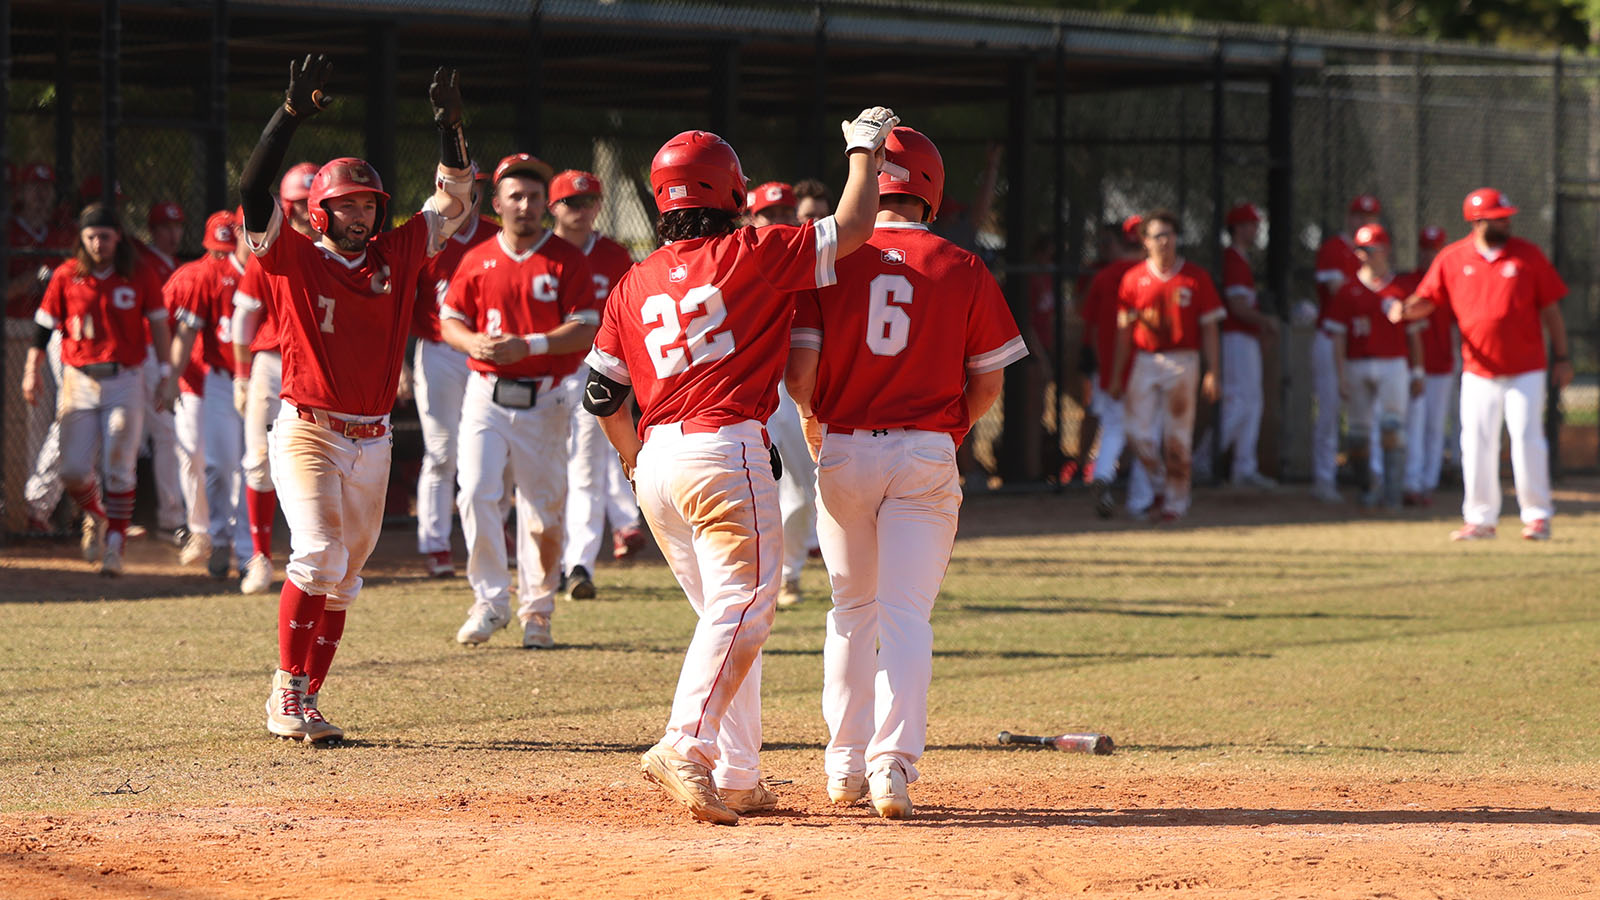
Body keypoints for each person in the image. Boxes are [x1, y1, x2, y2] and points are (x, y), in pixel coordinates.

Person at [583, 108, 896, 824]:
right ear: (730, 191)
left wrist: (632, 461)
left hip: (658, 461)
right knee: (744, 608)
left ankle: (740, 775)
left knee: (724, 621)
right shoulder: (754, 249)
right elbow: (853, 228)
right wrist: (862, 152)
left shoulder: (633, 281)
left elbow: (601, 394)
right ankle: (684, 743)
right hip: (725, 449)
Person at [785, 125, 1027, 819]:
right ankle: (891, 766)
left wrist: (820, 420)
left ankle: (843, 765)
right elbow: (988, 382)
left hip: (845, 448)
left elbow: (799, 377)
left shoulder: (829, 261)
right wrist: (946, 432)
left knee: (850, 612)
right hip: (924, 450)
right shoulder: (962, 265)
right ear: (931, 189)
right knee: (905, 616)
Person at [242, 55, 477, 742]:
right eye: (347, 203)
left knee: (344, 579)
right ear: (320, 210)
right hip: (309, 429)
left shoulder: (395, 254)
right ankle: (286, 693)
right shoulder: (292, 256)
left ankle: (309, 695)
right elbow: (252, 188)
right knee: (317, 554)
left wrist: (450, 128)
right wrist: (288, 116)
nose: (361, 213)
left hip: (372, 437)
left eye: (369, 203)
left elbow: (454, 201)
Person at [441, 154, 597, 649]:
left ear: (545, 204)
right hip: (486, 393)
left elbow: (587, 328)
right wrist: (471, 342)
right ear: (497, 202)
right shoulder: (477, 258)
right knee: (475, 492)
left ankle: (538, 611)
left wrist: (528, 345)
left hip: (546, 397)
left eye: (533, 196)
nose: (525, 205)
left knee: (542, 510)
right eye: (515, 195)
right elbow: (450, 319)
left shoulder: (566, 258)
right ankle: (489, 600)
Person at [1392, 188, 1572, 541]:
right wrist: (1406, 309)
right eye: (1498, 218)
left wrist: (1562, 358)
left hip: (1526, 368)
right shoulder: (1452, 258)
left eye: (1506, 217)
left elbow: (1551, 310)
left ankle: (1537, 516)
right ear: (1476, 222)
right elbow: (1427, 299)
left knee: (1526, 438)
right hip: (1478, 370)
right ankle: (1479, 519)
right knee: (1475, 442)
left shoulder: (1528, 255)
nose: (1506, 223)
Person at [20, 203, 172, 575]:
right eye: (91, 236)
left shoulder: (138, 273)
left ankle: (115, 546)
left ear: (118, 236)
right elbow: (43, 327)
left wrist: (167, 374)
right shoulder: (67, 274)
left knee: (119, 465)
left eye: (105, 236)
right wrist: (31, 370)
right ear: (82, 239)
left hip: (125, 377)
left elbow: (158, 325)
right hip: (79, 378)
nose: (98, 243)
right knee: (72, 469)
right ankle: (98, 514)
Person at [548, 168, 645, 600]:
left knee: (586, 470)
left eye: (588, 201)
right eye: (571, 202)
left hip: (595, 372)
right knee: (544, 474)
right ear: (553, 206)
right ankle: (547, 563)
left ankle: (579, 564)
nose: (581, 210)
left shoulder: (613, 254)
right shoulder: (538, 252)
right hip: (541, 376)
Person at [231, 162, 319, 595]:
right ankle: (260, 557)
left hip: (322, 365)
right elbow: (243, 320)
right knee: (259, 459)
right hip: (272, 360)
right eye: (296, 203)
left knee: (323, 459)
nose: (303, 211)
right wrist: (241, 377)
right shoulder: (269, 250)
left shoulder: (341, 250)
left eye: (309, 201)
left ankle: (319, 555)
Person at [409, 166, 498, 578]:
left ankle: (493, 534)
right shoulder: (424, 235)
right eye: (459, 189)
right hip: (439, 351)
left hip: (487, 352)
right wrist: (401, 365)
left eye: (473, 189)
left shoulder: (497, 235)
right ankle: (436, 542)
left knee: (495, 450)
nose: (467, 197)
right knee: (442, 452)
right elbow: (403, 304)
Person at [1109, 210, 1225, 522]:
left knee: (1177, 439)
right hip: (1145, 359)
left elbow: (1210, 329)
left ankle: (1176, 503)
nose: (1165, 241)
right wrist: (1118, 374)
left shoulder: (1195, 277)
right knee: (1136, 432)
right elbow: (1124, 332)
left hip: (1183, 360)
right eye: (1157, 235)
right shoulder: (1133, 279)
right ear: (1145, 241)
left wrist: (1213, 371)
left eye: (1169, 234)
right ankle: (1161, 485)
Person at [165, 210, 253, 578]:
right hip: (214, 380)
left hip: (258, 379)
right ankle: (213, 535)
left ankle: (248, 551)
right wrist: (169, 375)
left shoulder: (270, 272)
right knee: (213, 462)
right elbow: (179, 331)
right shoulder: (204, 275)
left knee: (254, 467)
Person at [747, 180, 821, 606]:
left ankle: (788, 574)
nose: (777, 222)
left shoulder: (810, 261)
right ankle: (766, 577)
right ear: (751, 218)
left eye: (784, 214)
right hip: (751, 386)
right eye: (768, 214)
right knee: (756, 487)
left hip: (795, 385)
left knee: (800, 483)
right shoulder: (739, 259)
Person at [1322, 224, 1422, 508]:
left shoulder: (1400, 288)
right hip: (1357, 363)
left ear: (1385, 250)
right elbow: (1338, 337)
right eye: (1361, 249)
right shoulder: (1348, 289)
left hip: (1393, 363)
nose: (1365, 255)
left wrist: (1418, 371)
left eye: (1371, 249)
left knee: (1392, 427)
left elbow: (1414, 335)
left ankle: (1392, 494)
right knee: (1357, 435)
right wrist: (1341, 374)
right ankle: (1366, 488)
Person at [10, 162, 76, 532]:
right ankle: (25, 507)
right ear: (20, 192)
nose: (40, 194)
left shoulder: (60, 233)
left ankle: (46, 509)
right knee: (29, 422)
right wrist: (29, 280)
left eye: (46, 187)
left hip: (60, 334)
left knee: (61, 418)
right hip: (19, 331)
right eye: (33, 187)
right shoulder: (9, 231)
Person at [1310, 194, 1382, 502]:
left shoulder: (1376, 251)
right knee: (1328, 411)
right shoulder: (1334, 248)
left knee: (1367, 415)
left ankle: (1371, 479)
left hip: (1362, 344)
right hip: (1331, 338)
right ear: (1348, 217)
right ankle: (1324, 478)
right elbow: (1339, 294)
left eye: (1369, 217)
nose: (1363, 222)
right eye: (1358, 216)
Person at [1077, 215, 1148, 517]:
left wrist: (1098, 365)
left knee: (1113, 427)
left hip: (1108, 366)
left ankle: (1103, 475)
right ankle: (1141, 499)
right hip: (1144, 364)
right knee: (1147, 432)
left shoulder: (1104, 277)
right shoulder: (1149, 276)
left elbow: (1090, 326)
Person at [135, 202, 188, 539]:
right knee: (131, 437)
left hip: (165, 357)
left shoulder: (179, 267)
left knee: (166, 434)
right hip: (142, 355)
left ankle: (170, 519)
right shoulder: (141, 261)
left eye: (177, 226)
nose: (173, 233)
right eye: (165, 227)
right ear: (152, 231)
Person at [1218, 203, 1279, 488]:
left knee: (1253, 403)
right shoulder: (1232, 258)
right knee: (1239, 402)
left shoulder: (1242, 259)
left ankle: (1244, 467)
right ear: (1239, 228)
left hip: (1246, 338)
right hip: (1235, 338)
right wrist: (1266, 320)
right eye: (1252, 225)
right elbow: (1237, 306)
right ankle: (1202, 460)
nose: (1256, 230)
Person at [1403, 225, 1456, 505]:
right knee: (1414, 425)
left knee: (1435, 427)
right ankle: (1411, 482)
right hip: (1414, 367)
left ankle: (1428, 483)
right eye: (1425, 249)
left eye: (1434, 251)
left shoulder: (1453, 283)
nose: (1429, 255)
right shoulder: (1408, 283)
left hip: (1443, 365)